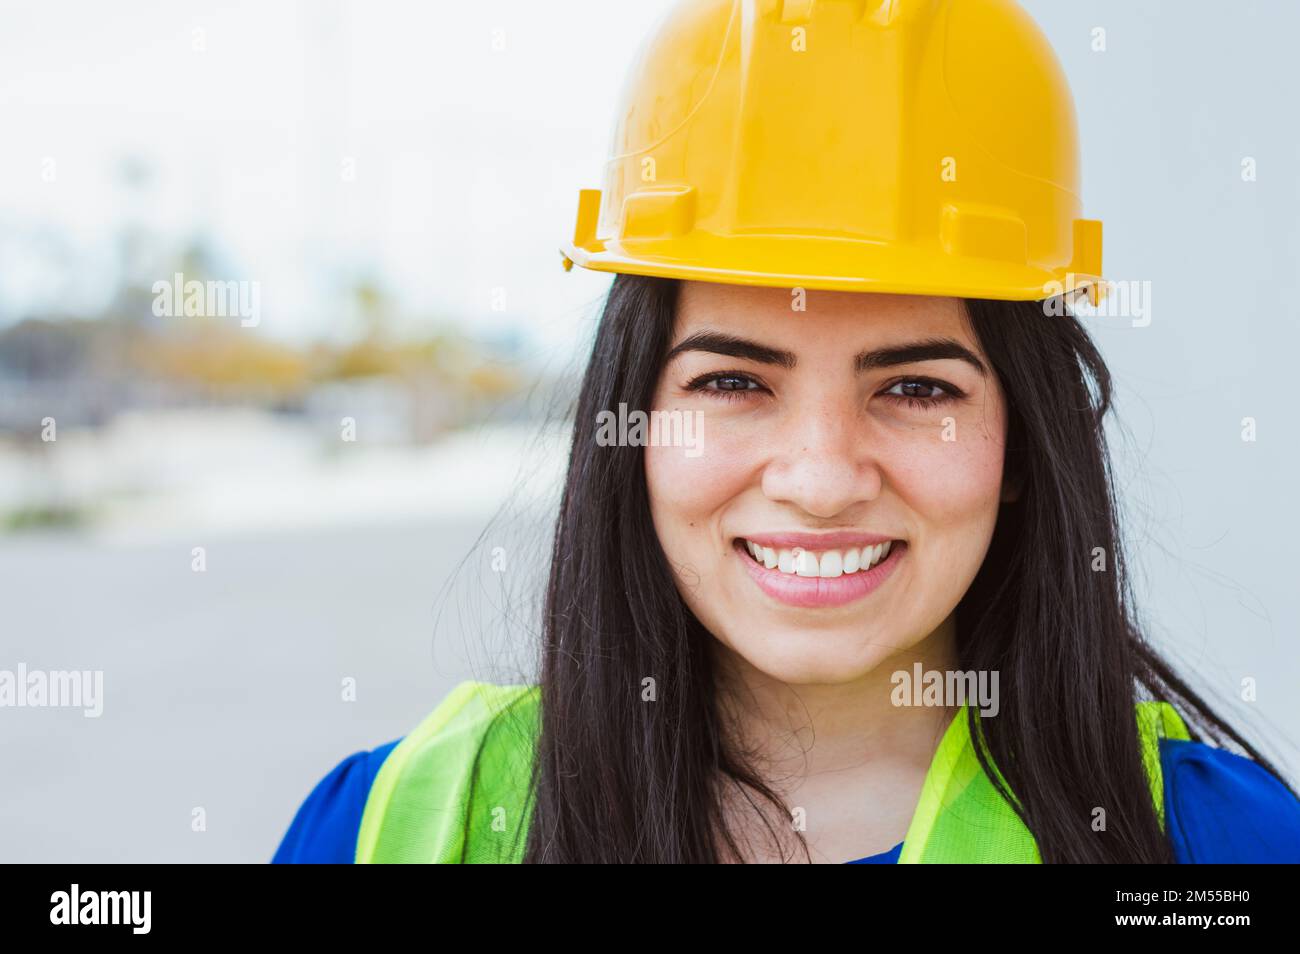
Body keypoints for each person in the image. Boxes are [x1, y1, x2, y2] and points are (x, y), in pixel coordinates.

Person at [274, 0, 1300, 863]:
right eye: (730, 380)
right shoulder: (396, 831)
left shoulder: (1211, 845)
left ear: (1023, 441)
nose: (818, 479)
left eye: (917, 390)